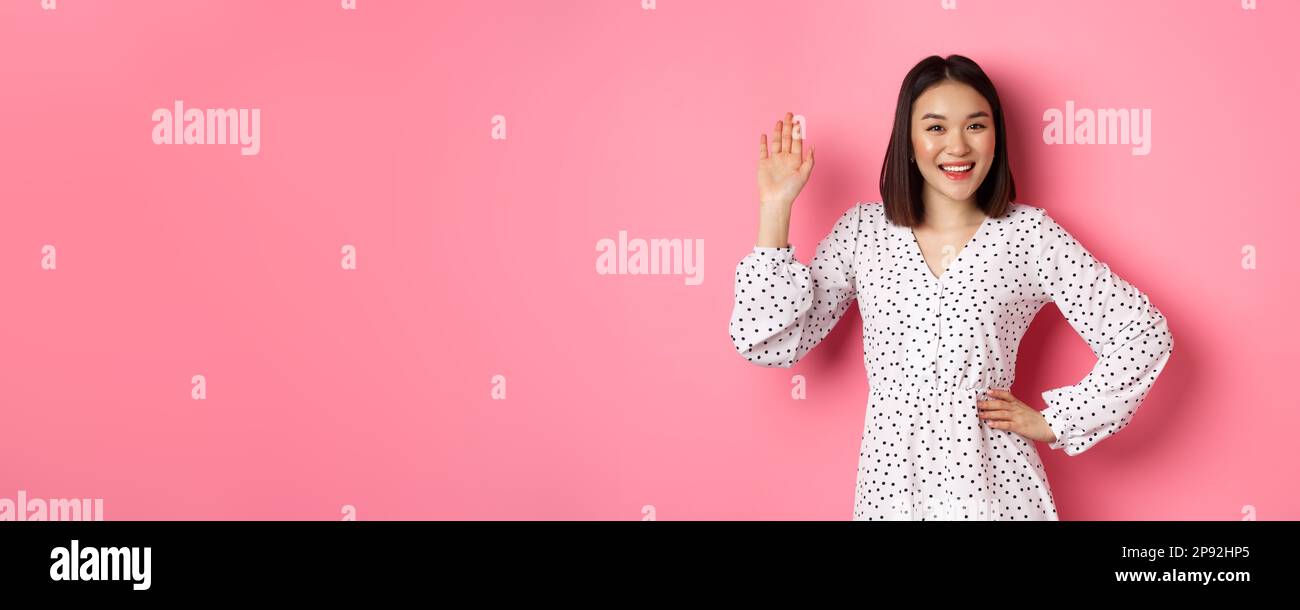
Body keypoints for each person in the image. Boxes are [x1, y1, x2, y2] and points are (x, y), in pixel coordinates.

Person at [728, 54, 1175, 520]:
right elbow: (769, 343)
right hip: (891, 493)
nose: (957, 146)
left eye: (976, 126)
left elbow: (1141, 333)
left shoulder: (1028, 235)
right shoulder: (863, 233)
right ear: (908, 139)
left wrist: (1058, 421)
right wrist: (775, 209)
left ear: (996, 137)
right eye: (936, 128)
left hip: (996, 493)